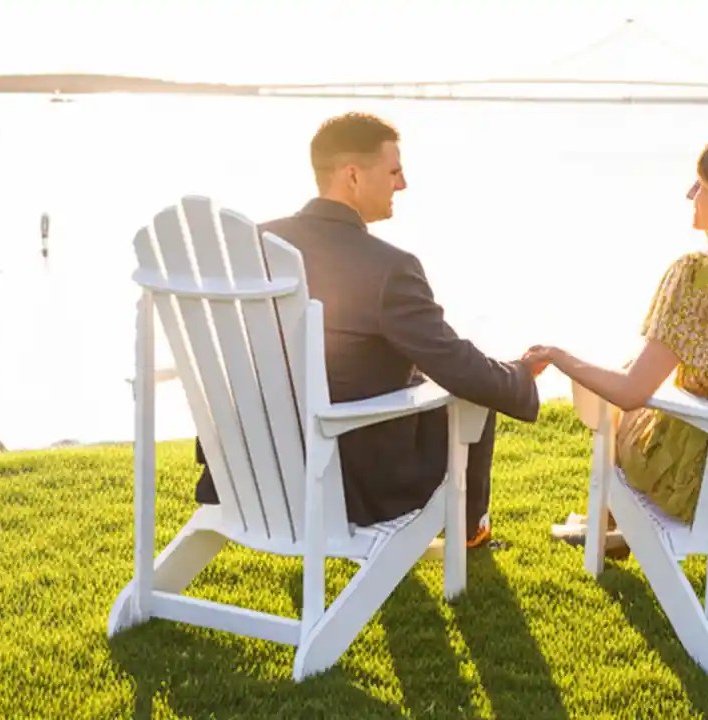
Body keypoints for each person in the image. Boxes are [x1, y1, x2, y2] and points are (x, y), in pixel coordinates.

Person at [194, 112, 545, 548]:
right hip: (350, 479)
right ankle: (467, 529)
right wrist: (519, 373)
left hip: (246, 465)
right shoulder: (390, 267)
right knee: (475, 389)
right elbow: (457, 365)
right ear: (353, 176)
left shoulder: (252, 245)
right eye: (394, 171)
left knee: (405, 371)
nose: (403, 184)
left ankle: (469, 527)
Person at [524, 135, 708, 544]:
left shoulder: (696, 273)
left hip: (704, 482)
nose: (690, 193)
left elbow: (632, 392)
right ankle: (606, 525)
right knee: (640, 375)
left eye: (701, 184)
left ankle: (603, 528)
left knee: (617, 410)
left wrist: (560, 357)